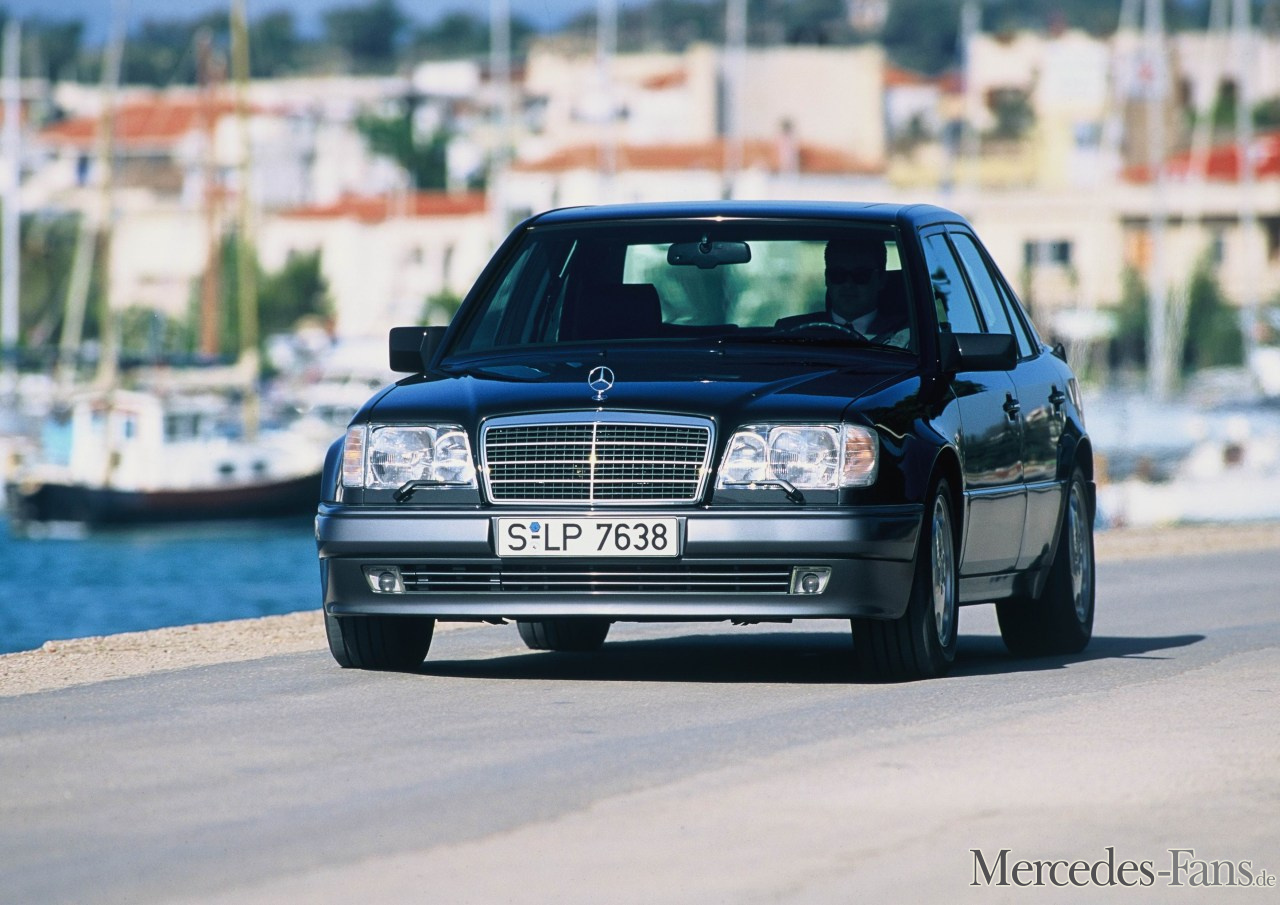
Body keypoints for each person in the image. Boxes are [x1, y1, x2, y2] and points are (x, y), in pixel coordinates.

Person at [775, 236, 911, 348]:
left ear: (881, 279)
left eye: (861, 275)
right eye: (838, 275)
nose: (848, 285)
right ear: (827, 279)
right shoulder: (788, 332)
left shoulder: (907, 336)